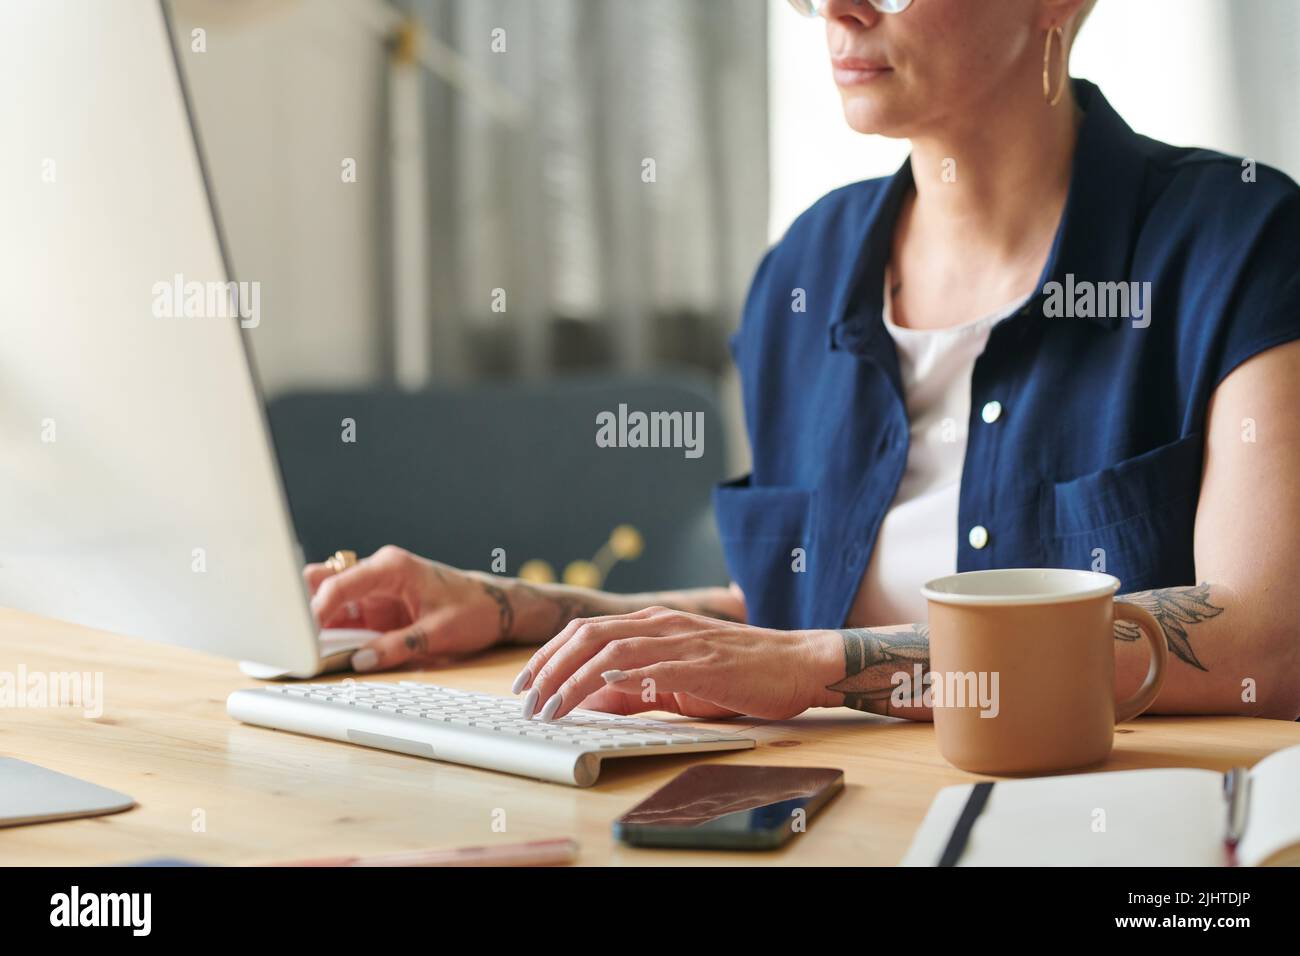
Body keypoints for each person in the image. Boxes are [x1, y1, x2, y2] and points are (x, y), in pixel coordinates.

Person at [306, 0, 1300, 724]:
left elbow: (1264, 636)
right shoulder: (804, 271)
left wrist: (821, 668)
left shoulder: (1237, 240)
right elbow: (796, 611)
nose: (836, 7)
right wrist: (510, 605)